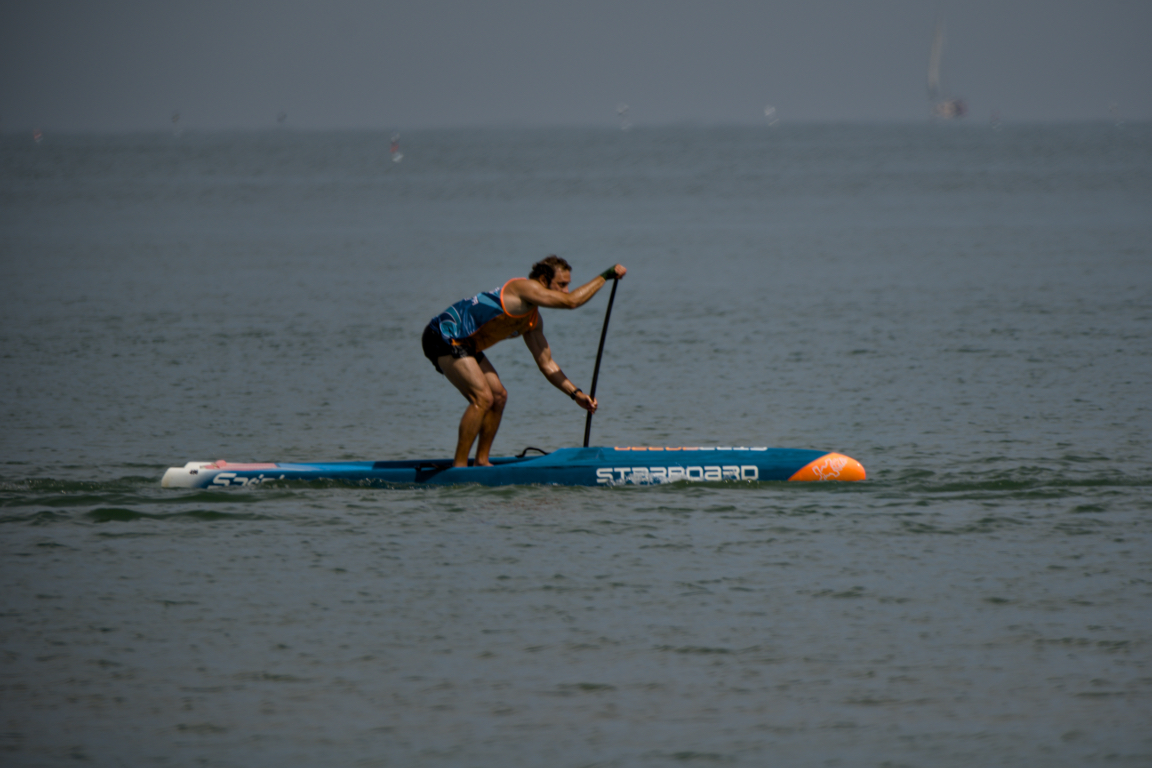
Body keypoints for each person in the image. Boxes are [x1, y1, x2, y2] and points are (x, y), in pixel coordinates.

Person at [422, 256, 627, 467]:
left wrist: (576, 395)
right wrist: (606, 276)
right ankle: (459, 468)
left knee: (499, 396)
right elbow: (571, 302)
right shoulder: (523, 288)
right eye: (562, 284)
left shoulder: (532, 321)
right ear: (542, 280)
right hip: (442, 335)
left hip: (467, 344)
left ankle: (482, 462)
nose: (565, 290)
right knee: (483, 398)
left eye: (568, 285)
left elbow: (547, 364)